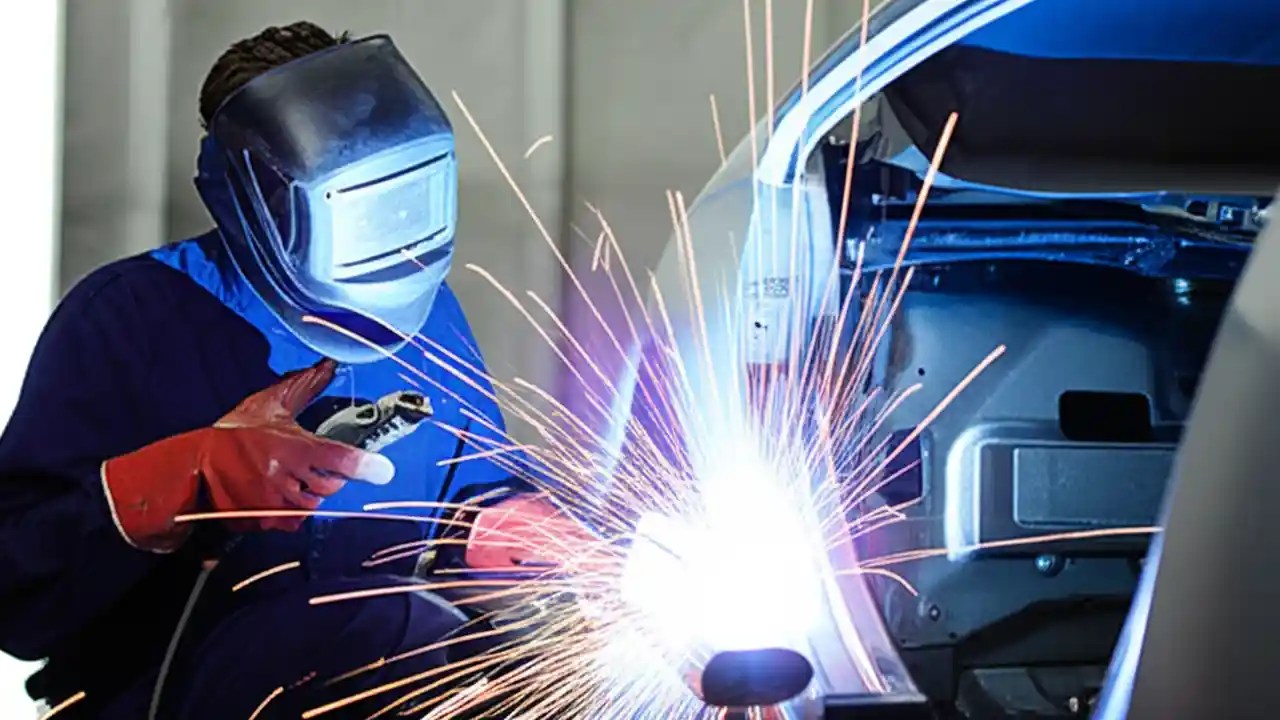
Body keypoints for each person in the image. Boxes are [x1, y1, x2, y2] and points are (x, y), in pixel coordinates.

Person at [0, 21, 570, 719]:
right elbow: (15, 595)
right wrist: (181, 479)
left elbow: (469, 490)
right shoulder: (129, 318)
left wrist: (504, 528)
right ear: (264, 194)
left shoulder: (430, 315)